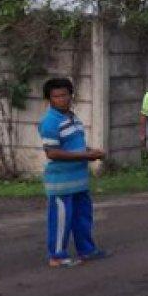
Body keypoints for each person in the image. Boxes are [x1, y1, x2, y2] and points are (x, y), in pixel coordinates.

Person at [38, 78, 110, 268]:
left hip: (79, 180)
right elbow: (52, 152)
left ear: (71, 95)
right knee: (61, 221)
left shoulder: (73, 118)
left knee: (83, 217)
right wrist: (87, 156)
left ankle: (87, 250)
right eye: (56, 96)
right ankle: (57, 256)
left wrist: (91, 151)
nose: (61, 99)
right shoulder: (49, 121)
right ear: (49, 99)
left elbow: (76, 145)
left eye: (64, 95)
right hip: (61, 182)